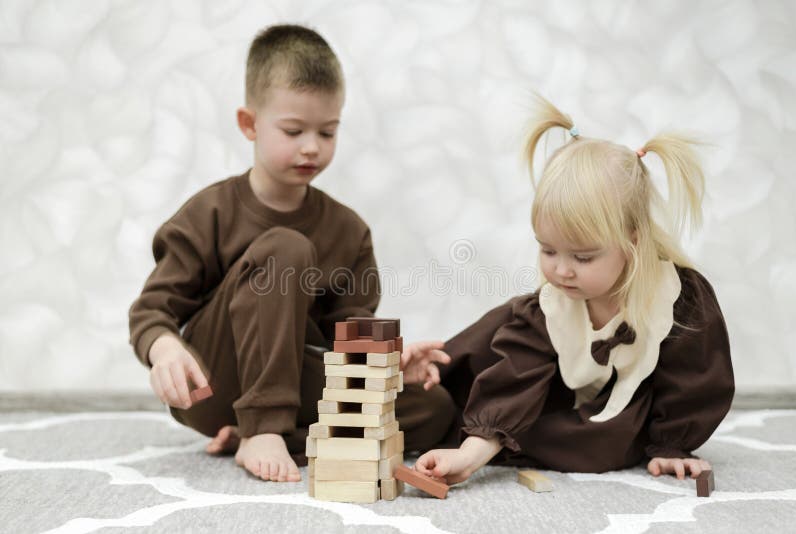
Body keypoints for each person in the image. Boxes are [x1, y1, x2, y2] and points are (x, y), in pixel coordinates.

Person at [128, 24, 454, 483]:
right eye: (294, 130)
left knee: (433, 410)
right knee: (285, 246)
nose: (311, 147)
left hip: (291, 379)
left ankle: (265, 436)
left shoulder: (348, 230)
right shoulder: (211, 212)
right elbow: (152, 309)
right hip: (214, 381)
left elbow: (344, 337)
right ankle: (262, 426)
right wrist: (163, 350)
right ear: (250, 124)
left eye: (327, 131)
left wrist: (390, 361)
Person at [407, 94, 735, 485]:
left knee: (602, 443)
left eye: (583, 257)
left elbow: (696, 378)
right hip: (545, 387)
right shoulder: (549, 307)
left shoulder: (679, 300)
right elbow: (516, 377)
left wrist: (672, 444)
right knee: (488, 346)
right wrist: (470, 455)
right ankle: (421, 391)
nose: (561, 270)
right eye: (547, 250)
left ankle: (484, 430)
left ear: (632, 244)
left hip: (615, 406)